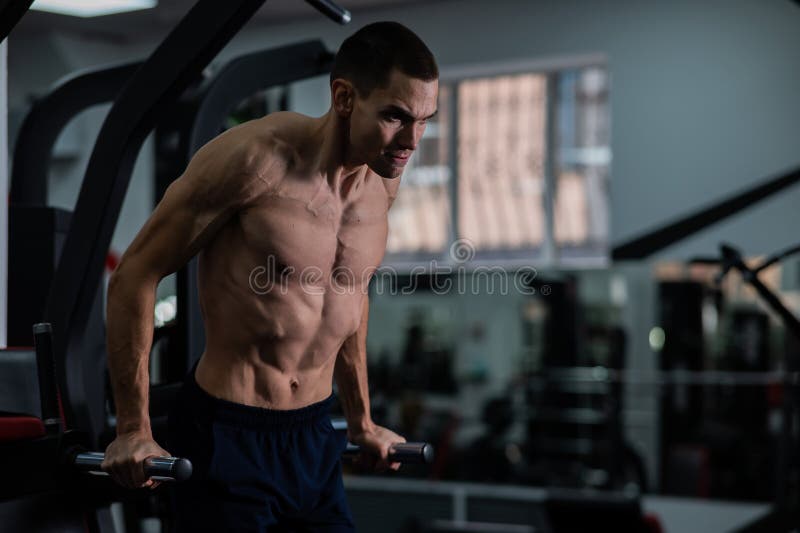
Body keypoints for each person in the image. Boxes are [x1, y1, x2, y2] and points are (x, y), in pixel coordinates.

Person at [102, 21, 438, 531]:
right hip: (229, 430)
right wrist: (133, 428)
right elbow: (135, 273)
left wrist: (361, 420)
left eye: (424, 120)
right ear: (344, 97)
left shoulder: (380, 182)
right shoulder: (254, 161)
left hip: (313, 434)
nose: (412, 140)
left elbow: (350, 296)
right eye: (395, 116)